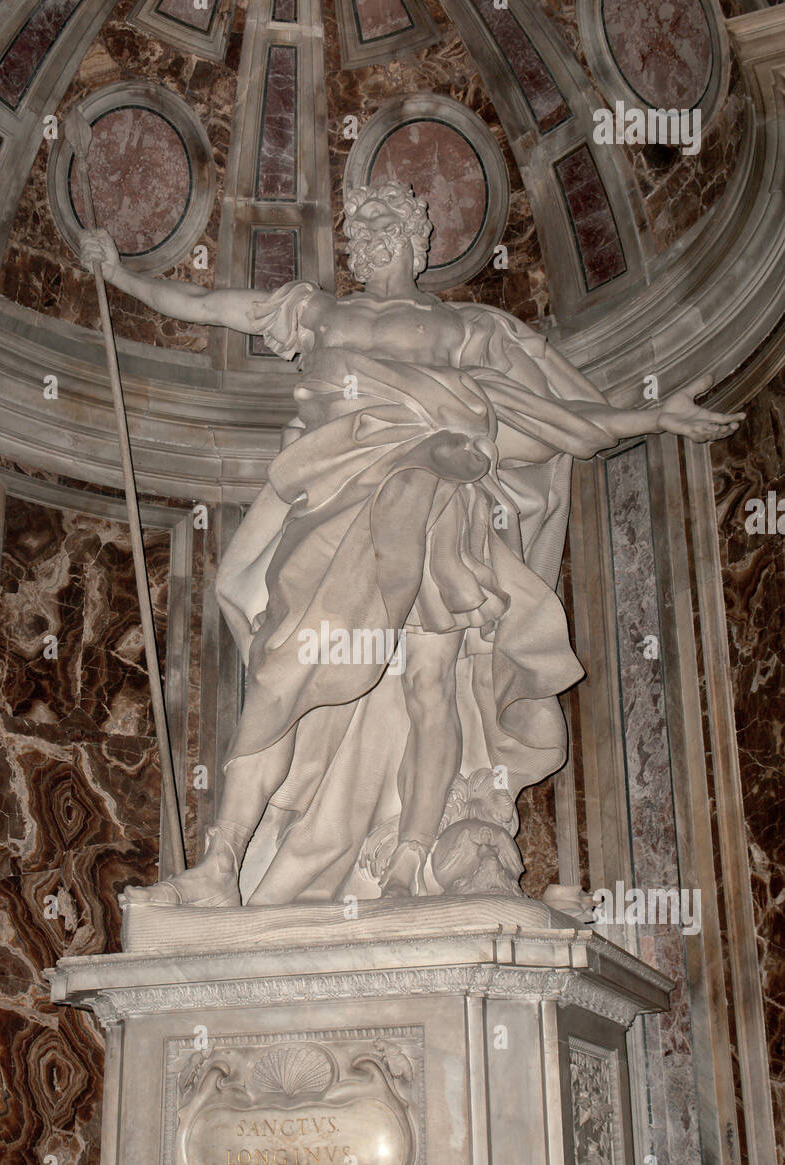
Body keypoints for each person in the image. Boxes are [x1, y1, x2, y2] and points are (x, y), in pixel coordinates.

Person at [79, 180, 742, 909]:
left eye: (385, 221)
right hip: (336, 503)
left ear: (417, 239)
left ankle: (409, 862)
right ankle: (222, 862)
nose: (370, 235)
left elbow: (558, 417)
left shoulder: (470, 332)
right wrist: (121, 275)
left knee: (432, 687)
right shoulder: (318, 312)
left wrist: (654, 418)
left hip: (438, 503)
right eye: (359, 227)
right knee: (283, 668)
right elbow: (212, 306)